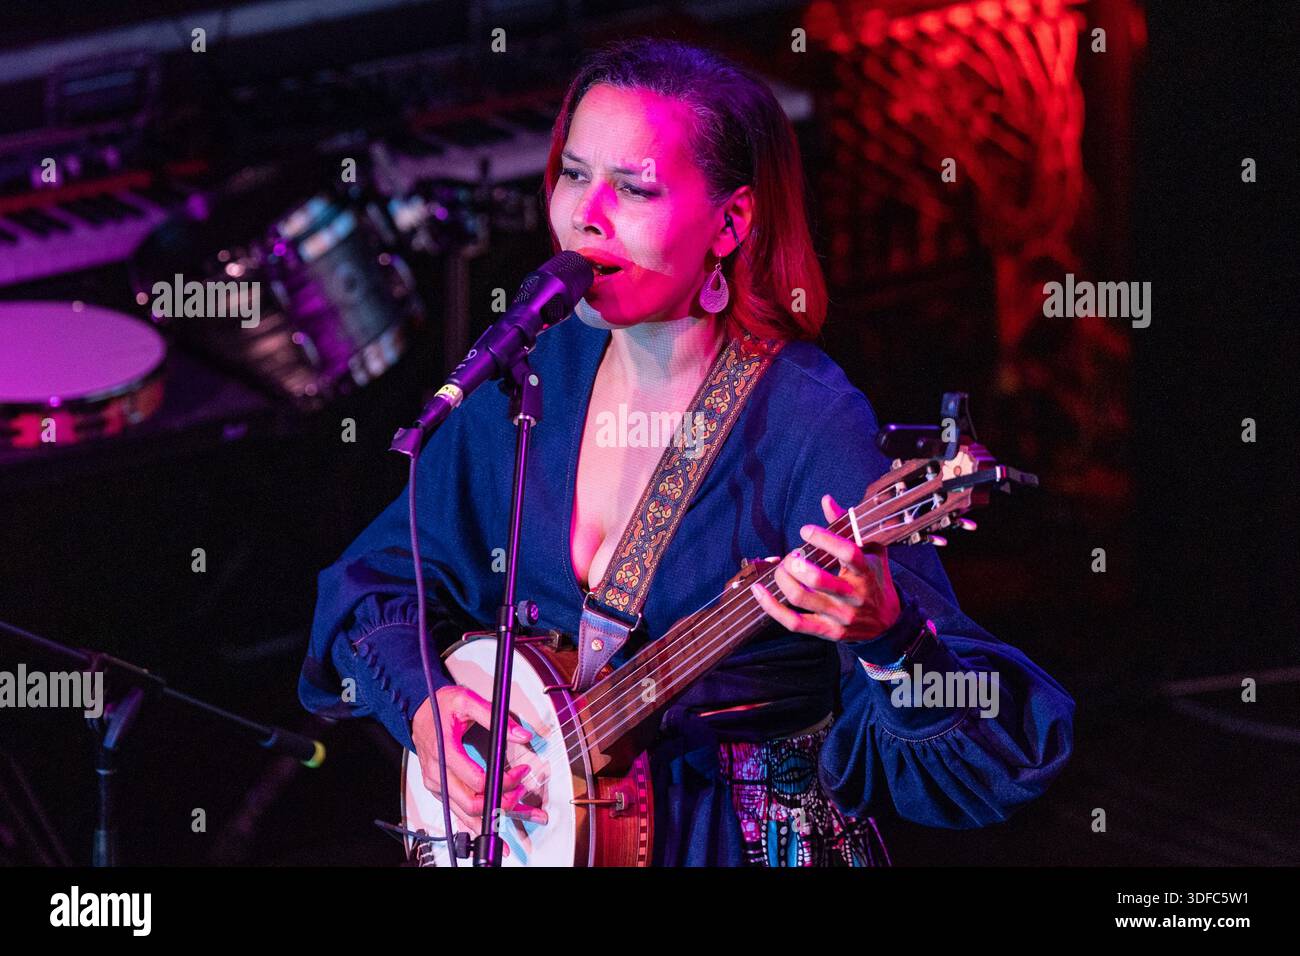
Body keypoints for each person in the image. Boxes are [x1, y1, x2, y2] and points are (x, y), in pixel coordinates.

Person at [299, 37, 1074, 866]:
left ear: (730, 222)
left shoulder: (806, 421)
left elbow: (993, 755)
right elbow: (378, 581)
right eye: (572, 174)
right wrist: (425, 702)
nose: (587, 215)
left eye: (634, 187)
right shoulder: (536, 376)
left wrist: (888, 636)